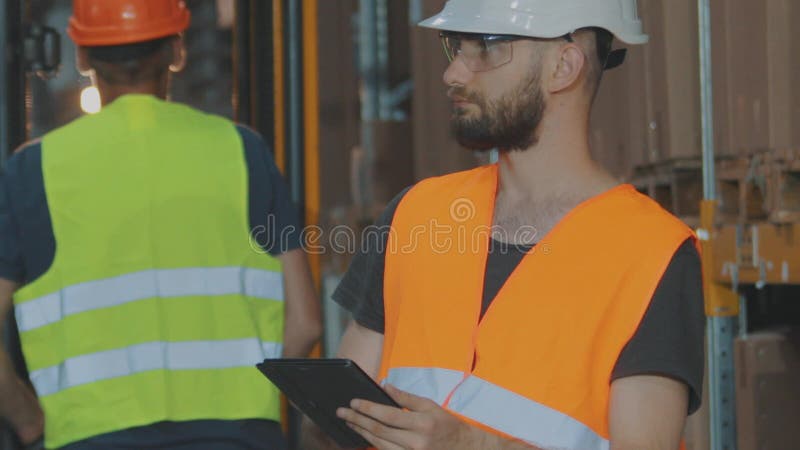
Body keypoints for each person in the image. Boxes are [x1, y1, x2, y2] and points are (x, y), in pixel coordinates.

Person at [303, 0, 705, 449]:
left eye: (487, 47)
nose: (453, 74)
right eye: (456, 46)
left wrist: (474, 445)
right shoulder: (415, 214)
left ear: (563, 66)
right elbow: (337, 425)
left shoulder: (653, 254)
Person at [0, 1, 321, 448]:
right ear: (177, 49)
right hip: (238, 437)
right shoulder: (242, 151)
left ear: (82, 56)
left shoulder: (32, 170)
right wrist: (253, 405)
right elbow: (306, 322)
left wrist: (30, 422)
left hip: (92, 439)